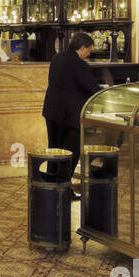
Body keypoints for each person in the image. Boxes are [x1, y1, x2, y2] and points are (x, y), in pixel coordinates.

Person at [40, 33, 100, 189]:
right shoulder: (78, 64)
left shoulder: (57, 58)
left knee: (54, 149)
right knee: (70, 153)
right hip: (69, 115)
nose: (88, 54)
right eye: (89, 50)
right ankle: (63, 188)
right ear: (82, 48)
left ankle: (51, 188)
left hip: (52, 111)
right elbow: (92, 88)